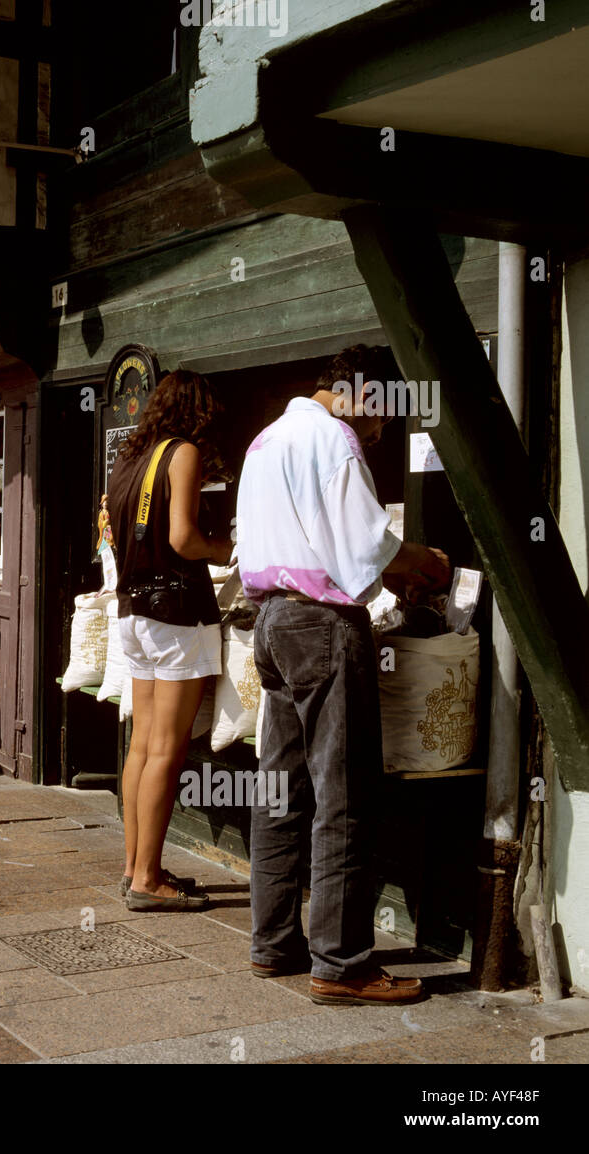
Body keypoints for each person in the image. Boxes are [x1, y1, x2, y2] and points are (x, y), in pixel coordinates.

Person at [236, 345, 451, 1006]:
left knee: (280, 789)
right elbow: (364, 553)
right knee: (345, 794)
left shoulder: (266, 440)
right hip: (324, 625)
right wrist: (426, 562)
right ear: (362, 394)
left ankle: (274, 943)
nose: (381, 432)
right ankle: (342, 963)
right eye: (383, 416)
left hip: (271, 623)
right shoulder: (335, 440)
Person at [107, 370, 235, 912]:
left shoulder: (131, 460)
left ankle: (136, 866)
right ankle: (148, 880)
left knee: (141, 746)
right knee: (166, 749)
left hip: (135, 613)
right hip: (179, 614)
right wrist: (223, 547)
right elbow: (183, 537)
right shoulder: (180, 453)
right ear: (198, 413)